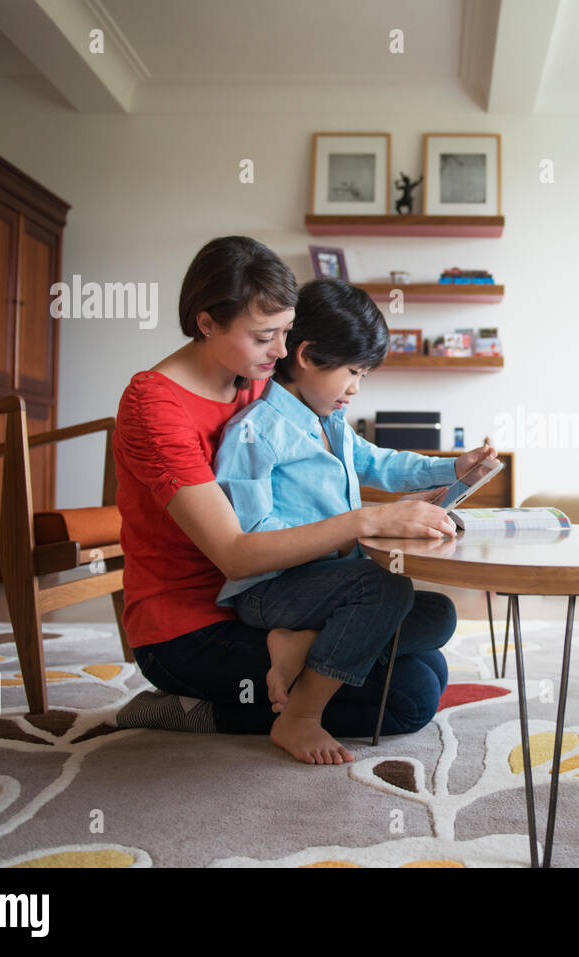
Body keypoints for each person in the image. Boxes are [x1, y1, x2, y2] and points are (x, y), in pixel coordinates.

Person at [112, 236, 459, 761]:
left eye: (284, 333)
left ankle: (296, 648)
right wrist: (366, 520)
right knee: (411, 694)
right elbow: (235, 552)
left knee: (430, 646)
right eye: (264, 336)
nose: (279, 351)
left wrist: (447, 471)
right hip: (190, 628)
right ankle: (199, 709)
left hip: (288, 598)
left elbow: (361, 452)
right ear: (207, 324)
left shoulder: (254, 378)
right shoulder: (154, 406)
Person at [211, 277, 498, 764]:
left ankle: (303, 644)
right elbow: (252, 541)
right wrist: (356, 532)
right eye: (352, 372)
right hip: (272, 589)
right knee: (387, 588)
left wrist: (453, 467)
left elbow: (384, 465)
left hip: (324, 588)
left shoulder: (331, 424)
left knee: (438, 616)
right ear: (306, 355)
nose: (355, 389)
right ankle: (299, 716)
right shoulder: (256, 433)